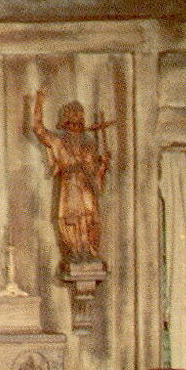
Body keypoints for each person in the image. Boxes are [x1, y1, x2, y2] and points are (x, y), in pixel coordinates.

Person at [30, 93, 113, 265]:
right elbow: (38, 129)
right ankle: (75, 251)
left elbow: (94, 171)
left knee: (90, 216)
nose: (76, 119)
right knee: (70, 217)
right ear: (66, 118)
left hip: (85, 184)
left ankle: (89, 250)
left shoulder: (89, 141)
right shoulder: (59, 139)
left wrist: (103, 165)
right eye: (72, 115)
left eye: (79, 115)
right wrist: (38, 103)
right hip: (69, 183)